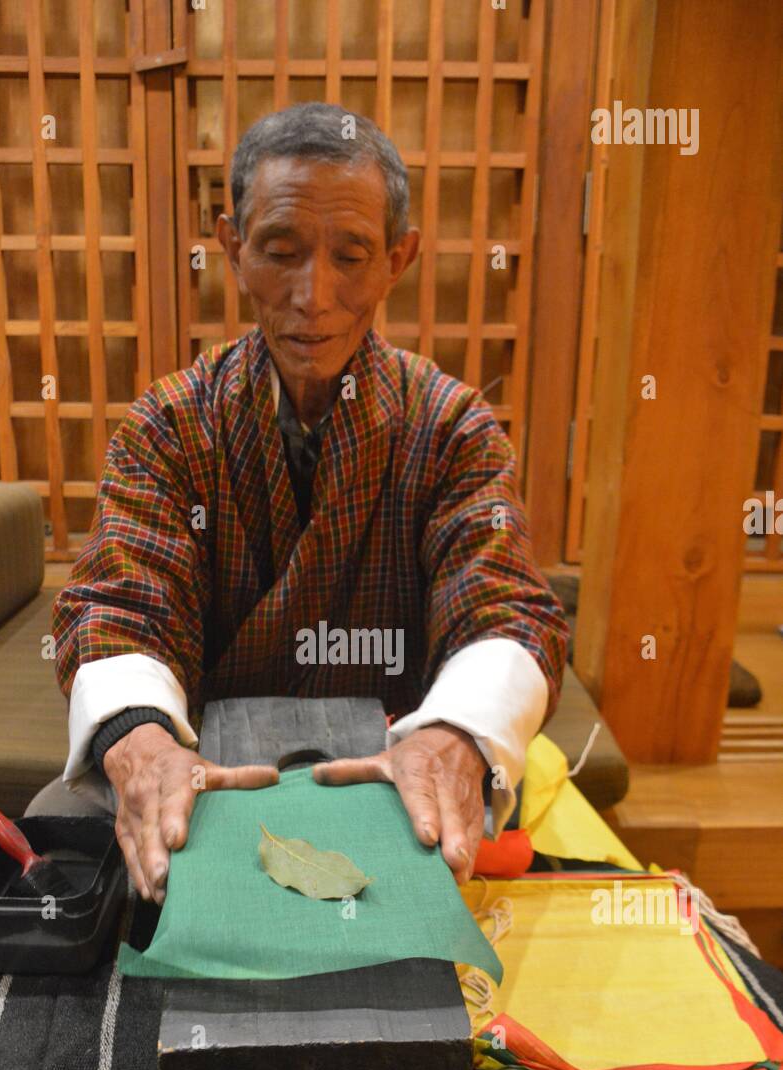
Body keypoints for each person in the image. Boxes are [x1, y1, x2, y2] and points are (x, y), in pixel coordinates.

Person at [35, 102, 569, 905]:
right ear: (232, 248)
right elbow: (120, 607)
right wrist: (140, 741)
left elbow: (504, 612)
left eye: (351, 256)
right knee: (68, 845)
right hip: (210, 783)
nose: (313, 296)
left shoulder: (452, 428)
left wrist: (455, 737)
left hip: (395, 778)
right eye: (281, 252)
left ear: (399, 258)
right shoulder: (171, 426)